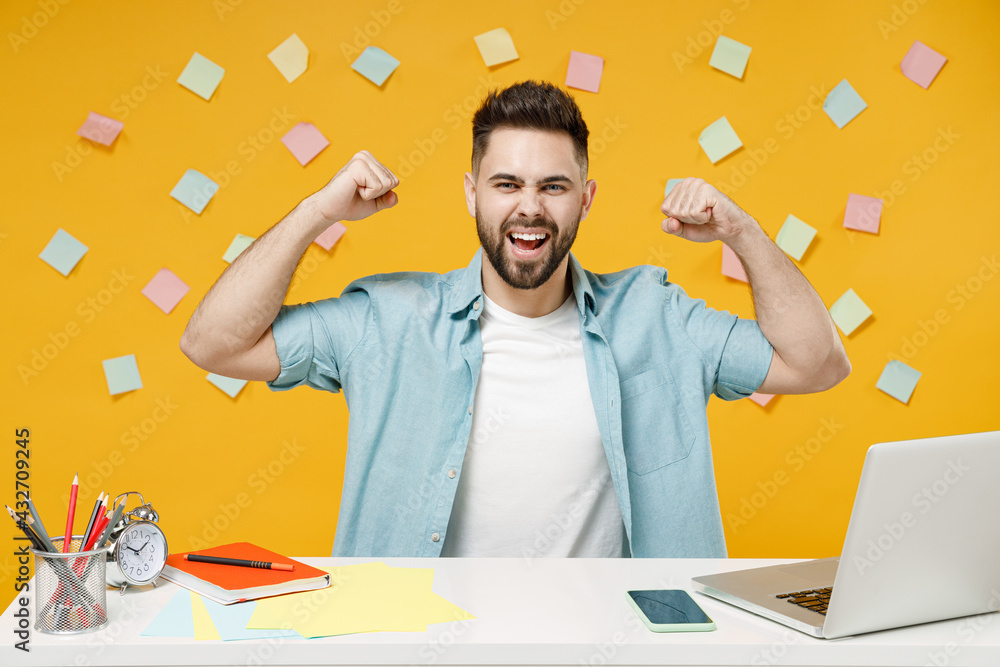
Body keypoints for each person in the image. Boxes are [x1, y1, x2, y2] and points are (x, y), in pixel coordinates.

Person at [180, 80, 850, 559]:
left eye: (553, 186)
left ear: (585, 199)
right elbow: (212, 343)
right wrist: (317, 212)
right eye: (507, 184)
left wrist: (742, 232)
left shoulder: (657, 317)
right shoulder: (387, 320)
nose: (530, 207)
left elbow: (816, 364)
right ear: (472, 193)